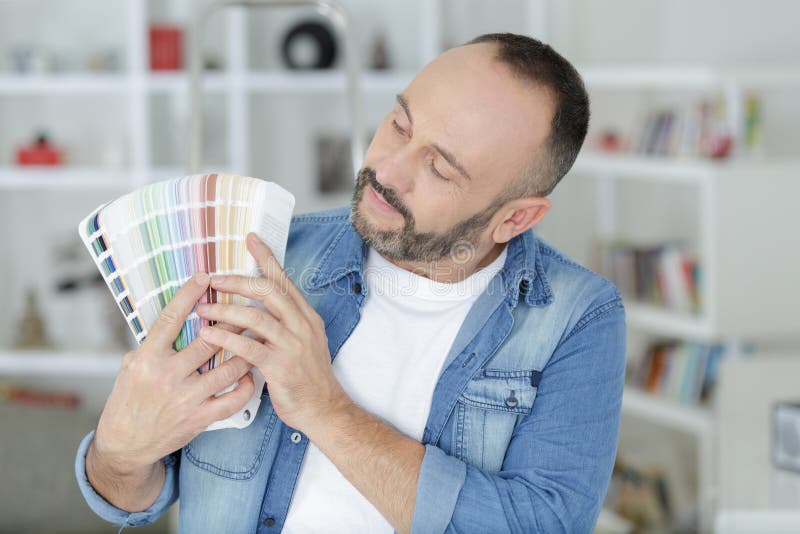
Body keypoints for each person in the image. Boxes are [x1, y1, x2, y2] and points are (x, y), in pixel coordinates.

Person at [75, 33, 626, 533]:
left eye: (439, 168)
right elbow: (133, 495)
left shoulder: (578, 317)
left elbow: (541, 526)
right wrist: (119, 456)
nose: (388, 169)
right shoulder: (264, 256)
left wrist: (325, 408)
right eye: (400, 125)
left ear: (514, 219)